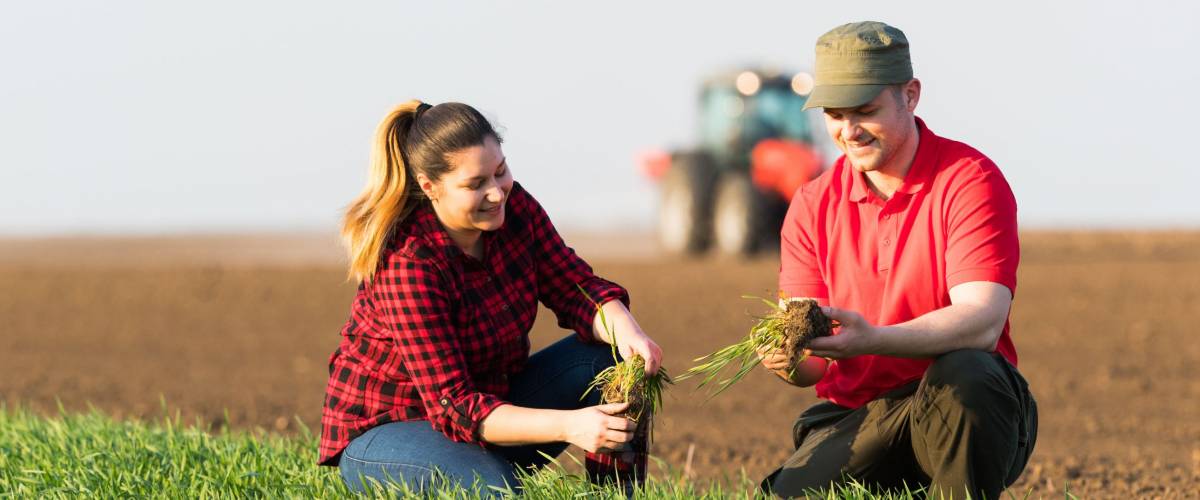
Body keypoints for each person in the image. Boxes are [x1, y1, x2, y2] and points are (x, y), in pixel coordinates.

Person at [318, 100, 664, 495]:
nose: (496, 193)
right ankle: (484, 474)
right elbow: (458, 406)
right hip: (390, 431)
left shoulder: (515, 208)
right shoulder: (409, 261)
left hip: (488, 409)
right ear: (430, 186)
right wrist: (572, 425)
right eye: (475, 184)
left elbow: (575, 288)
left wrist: (627, 331)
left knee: (612, 357)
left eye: (500, 172)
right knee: (497, 491)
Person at [757, 22, 1038, 499]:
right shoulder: (810, 203)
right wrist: (788, 359)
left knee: (967, 373)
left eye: (866, 111)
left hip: (959, 407)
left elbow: (982, 322)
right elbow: (813, 367)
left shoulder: (969, 180)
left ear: (911, 95)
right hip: (857, 415)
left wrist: (875, 340)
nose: (848, 131)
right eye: (834, 114)